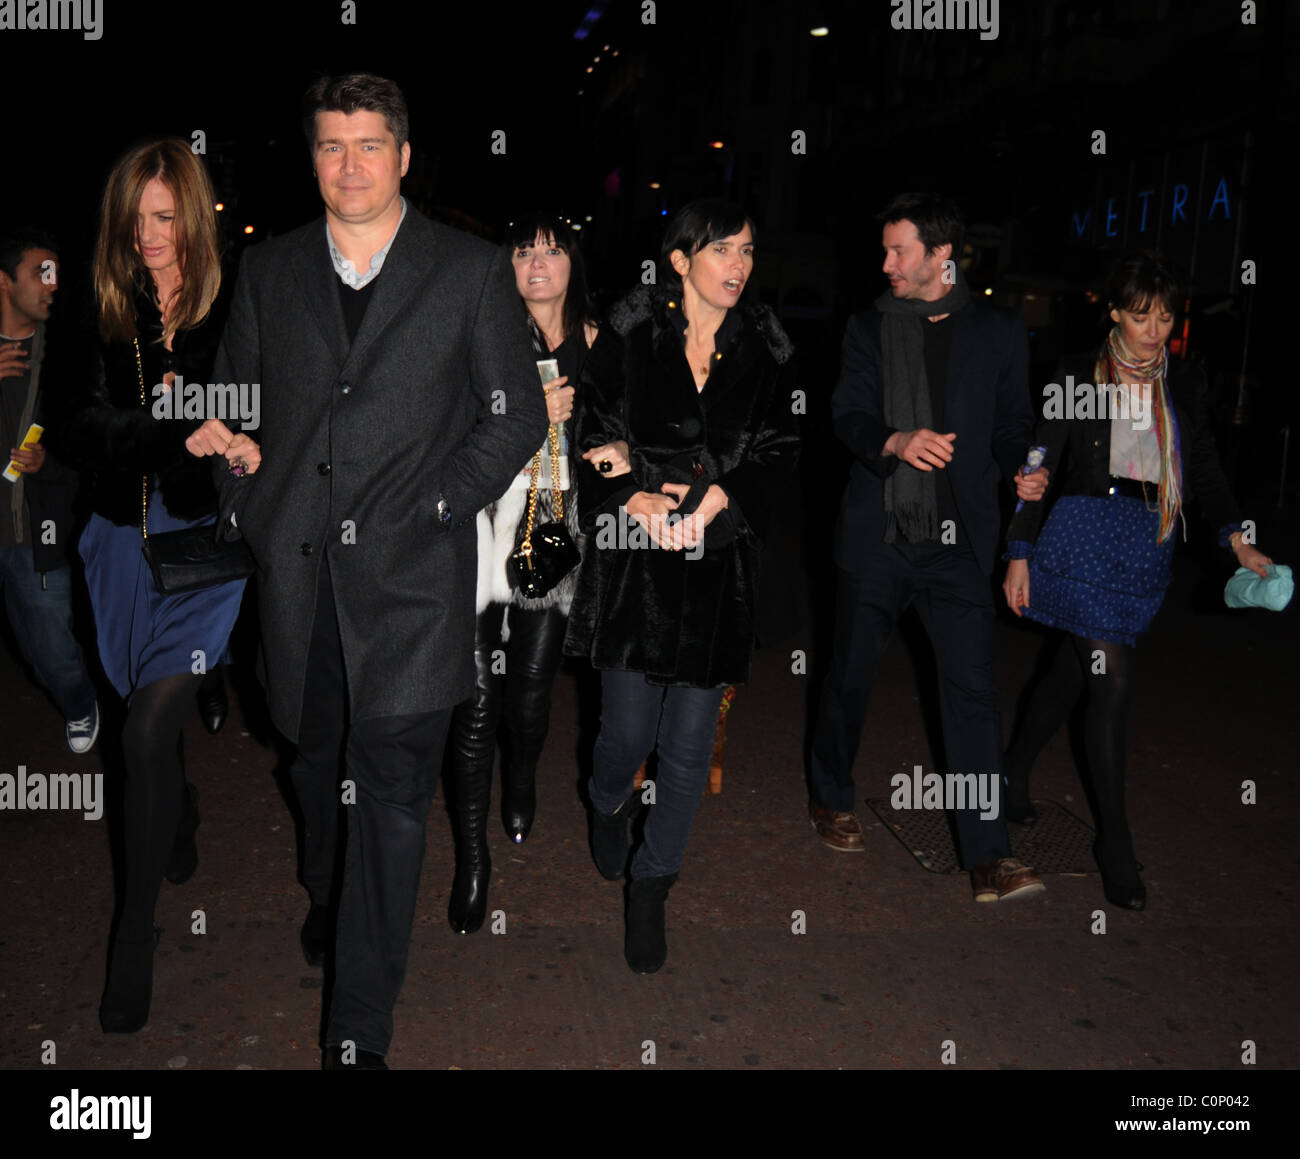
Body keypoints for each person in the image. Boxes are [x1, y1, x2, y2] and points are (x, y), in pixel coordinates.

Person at [212, 74, 547, 1067]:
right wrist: (237, 489)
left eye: (368, 144)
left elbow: (515, 415)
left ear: (403, 157)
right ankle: (327, 884)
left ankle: (357, 1027)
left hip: (412, 586)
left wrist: (441, 502)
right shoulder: (266, 270)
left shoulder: (469, 271)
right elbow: (240, 397)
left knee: (393, 788)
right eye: (329, 145)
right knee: (316, 767)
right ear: (310, 157)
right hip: (300, 587)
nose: (348, 164)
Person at [566, 198, 800, 973]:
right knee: (627, 734)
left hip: (718, 566)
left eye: (748, 250)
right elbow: (592, 425)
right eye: (722, 249)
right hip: (634, 561)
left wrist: (722, 502)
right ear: (679, 259)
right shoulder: (634, 329)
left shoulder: (764, 348)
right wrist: (633, 494)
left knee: (689, 747)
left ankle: (652, 886)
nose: (738, 265)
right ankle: (605, 801)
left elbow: (777, 449)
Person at [1002, 251, 1272, 911]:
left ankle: (1009, 774)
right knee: (1110, 677)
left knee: (1072, 673)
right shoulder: (1075, 374)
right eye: (1141, 315)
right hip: (1082, 536)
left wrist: (1239, 537)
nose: (1155, 329)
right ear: (1115, 312)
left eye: (1166, 317)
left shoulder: (1185, 383)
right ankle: (1114, 842)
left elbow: (1202, 464)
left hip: (1145, 539)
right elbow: (1041, 459)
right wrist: (1018, 550)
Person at [61, 140, 258, 1032]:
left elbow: (264, 405)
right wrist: (172, 424)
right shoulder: (97, 309)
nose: (148, 235)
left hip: (201, 551)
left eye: (165, 216)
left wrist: (246, 442)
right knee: (147, 732)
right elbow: (81, 428)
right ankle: (176, 811)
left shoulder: (234, 302)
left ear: (194, 214)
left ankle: (132, 937)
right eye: (135, 218)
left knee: (144, 728)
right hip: (115, 546)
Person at [805, 192, 1048, 903]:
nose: (887, 264)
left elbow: (1013, 424)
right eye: (885, 250)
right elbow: (846, 413)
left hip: (957, 546)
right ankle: (830, 793)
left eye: (899, 251)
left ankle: (989, 853)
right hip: (879, 534)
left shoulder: (1000, 330)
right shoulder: (866, 328)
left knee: (972, 693)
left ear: (943, 255)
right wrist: (895, 440)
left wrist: (1021, 467)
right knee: (849, 673)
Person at [444, 213, 629, 934]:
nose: (539, 263)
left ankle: (521, 775)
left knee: (528, 696)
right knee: (476, 702)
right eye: (524, 252)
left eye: (552, 250)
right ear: (507, 268)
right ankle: (472, 857)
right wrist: (526, 416)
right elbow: (448, 429)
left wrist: (613, 449)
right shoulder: (483, 335)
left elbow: (628, 430)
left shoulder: (598, 344)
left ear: (572, 263)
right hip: (480, 528)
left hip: (556, 529)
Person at [0, 227, 98, 753]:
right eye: (40, 272)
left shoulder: (66, 356)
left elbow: (93, 443)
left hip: (35, 533)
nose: (52, 284)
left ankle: (81, 705)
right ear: (3, 282)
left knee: (51, 650)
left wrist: (49, 461)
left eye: (56, 273)